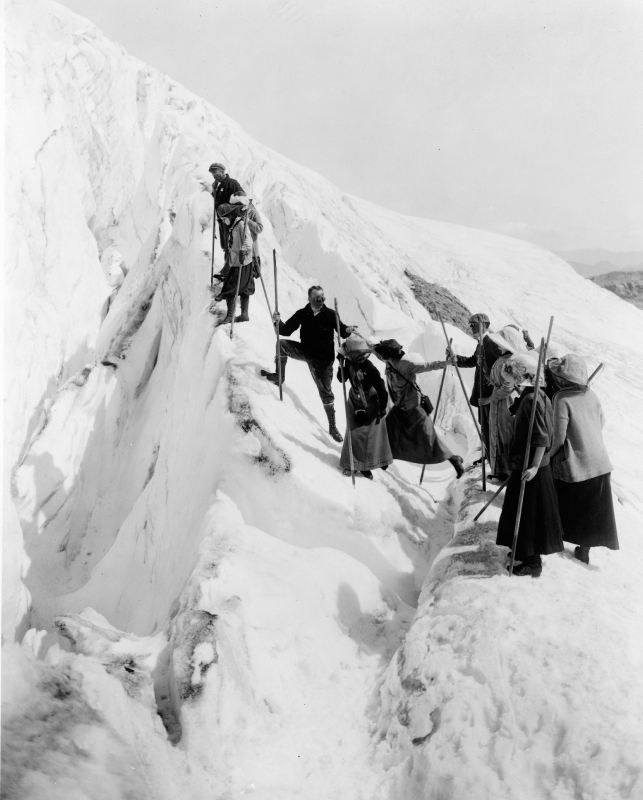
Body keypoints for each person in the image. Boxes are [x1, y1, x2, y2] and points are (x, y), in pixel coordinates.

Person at [496, 353, 564, 577]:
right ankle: (523, 551)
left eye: (513, 378)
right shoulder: (535, 394)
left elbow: (542, 437)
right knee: (520, 509)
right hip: (526, 465)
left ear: (521, 377)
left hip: (531, 467)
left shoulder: (531, 400)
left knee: (528, 514)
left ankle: (532, 562)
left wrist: (534, 467)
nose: (510, 383)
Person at [261, 286, 358, 442]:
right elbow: (285, 331)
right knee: (282, 344)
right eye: (316, 298)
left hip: (323, 361)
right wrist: (277, 322)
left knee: (325, 393)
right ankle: (279, 376)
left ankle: (332, 427)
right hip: (305, 351)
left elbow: (342, 331)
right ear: (310, 299)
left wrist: (348, 329)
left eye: (322, 298)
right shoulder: (302, 314)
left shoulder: (330, 315)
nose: (320, 301)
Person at [549, 354, 619, 565]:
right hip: (600, 461)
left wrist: (547, 457)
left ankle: (554, 540)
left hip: (578, 463)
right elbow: (601, 422)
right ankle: (584, 551)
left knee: (560, 497)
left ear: (563, 378)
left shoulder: (561, 399)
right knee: (591, 509)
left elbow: (558, 438)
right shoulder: (592, 395)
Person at [371, 340, 464, 478]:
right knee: (387, 430)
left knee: (429, 438)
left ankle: (454, 460)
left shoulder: (405, 365)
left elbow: (428, 366)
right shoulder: (389, 361)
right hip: (399, 408)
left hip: (413, 408)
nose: (381, 356)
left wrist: (448, 362)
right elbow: (375, 351)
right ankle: (384, 459)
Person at [337, 335, 392, 479]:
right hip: (354, 400)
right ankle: (353, 464)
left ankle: (365, 467)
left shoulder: (369, 367)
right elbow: (341, 379)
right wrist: (340, 364)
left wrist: (382, 408)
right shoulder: (348, 362)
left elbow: (381, 388)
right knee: (353, 432)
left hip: (370, 402)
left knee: (367, 436)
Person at [454, 313, 504, 464]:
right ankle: (488, 456)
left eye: (474, 324)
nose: (471, 327)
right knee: (484, 424)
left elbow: (501, 368)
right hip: (483, 394)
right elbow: (473, 361)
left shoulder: (493, 343)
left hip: (490, 395)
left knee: (490, 426)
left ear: (486, 325)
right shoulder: (481, 343)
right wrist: (455, 359)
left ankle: (494, 460)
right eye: (470, 324)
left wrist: (493, 384)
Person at [480, 326, 527, 481]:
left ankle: (506, 470)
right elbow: (496, 382)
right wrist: (484, 368)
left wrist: (489, 399)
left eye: (501, 343)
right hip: (500, 402)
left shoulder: (508, 362)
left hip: (504, 403)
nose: (498, 345)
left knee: (504, 433)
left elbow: (507, 387)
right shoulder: (504, 360)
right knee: (499, 432)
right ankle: (501, 469)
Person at [215, 200, 258, 324]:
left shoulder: (240, 225)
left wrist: (243, 253)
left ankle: (230, 316)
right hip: (241, 261)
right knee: (245, 288)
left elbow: (248, 241)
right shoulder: (234, 225)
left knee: (230, 287)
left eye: (224, 219)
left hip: (242, 262)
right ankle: (244, 314)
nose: (224, 221)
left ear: (230, 215)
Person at [209, 163, 244, 277]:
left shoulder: (232, 183)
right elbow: (217, 201)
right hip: (222, 220)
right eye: (212, 173)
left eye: (215, 172)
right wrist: (214, 191)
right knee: (225, 245)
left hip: (231, 220)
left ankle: (229, 271)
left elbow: (243, 200)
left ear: (222, 171)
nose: (214, 175)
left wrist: (233, 213)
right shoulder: (219, 186)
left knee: (231, 244)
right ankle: (227, 269)